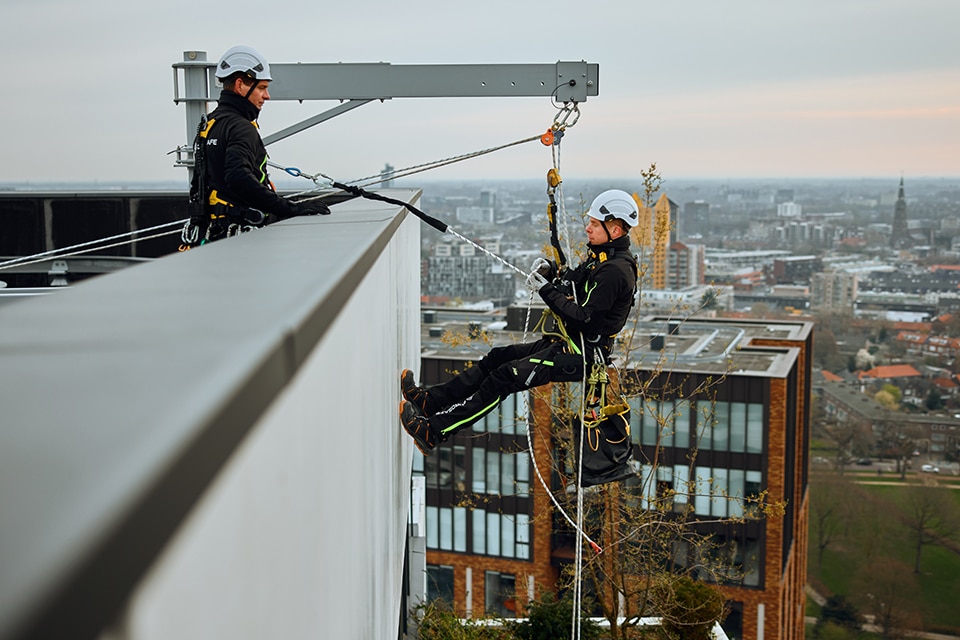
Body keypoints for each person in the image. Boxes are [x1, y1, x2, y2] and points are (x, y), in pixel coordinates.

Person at [400, 189, 639, 455]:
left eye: (595, 224)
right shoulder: (602, 259)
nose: (588, 228)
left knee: (504, 378)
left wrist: (545, 291)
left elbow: (586, 320)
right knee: (497, 358)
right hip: (569, 345)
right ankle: (430, 402)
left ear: (615, 230)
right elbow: (575, 282)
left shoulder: (616, 271)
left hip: (581, 354)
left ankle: (433, 432)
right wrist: (551, 271)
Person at [184, 45, 329, 247]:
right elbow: (238, 177)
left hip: (212, 234)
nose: (267, 96)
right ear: (240, 85)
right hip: (239, 237)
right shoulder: (241, 127)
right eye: (261, 88)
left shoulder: (211, 123)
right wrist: (291, 208)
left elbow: (200, 183)